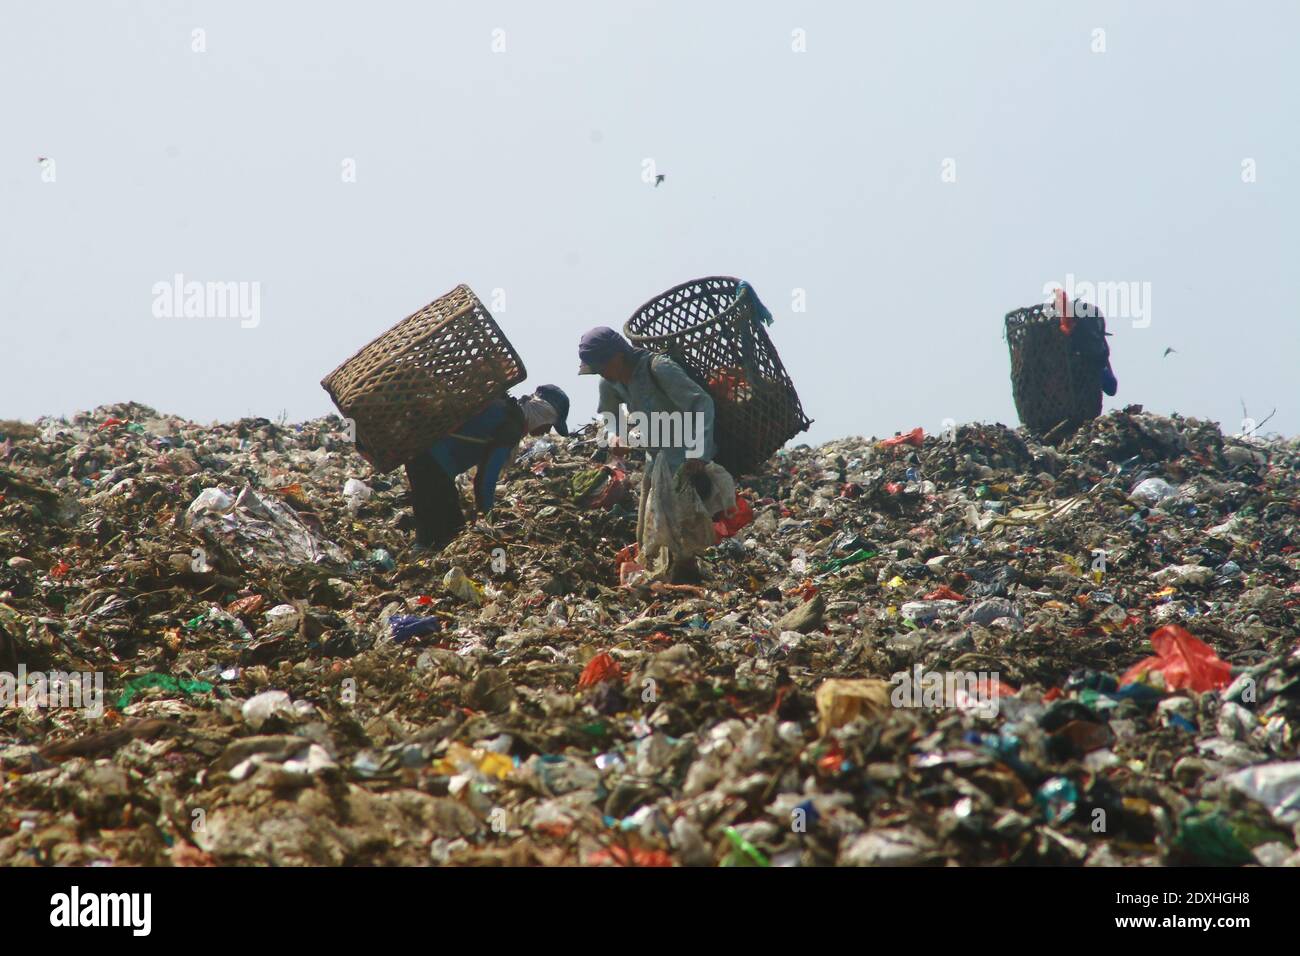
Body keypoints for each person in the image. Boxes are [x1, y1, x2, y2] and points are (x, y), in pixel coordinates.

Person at [577, 327, 721, 580]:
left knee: (678, 523)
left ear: (617, 357)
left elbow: (701, 402)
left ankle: (685, 579)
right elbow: (610, 416)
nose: (601, 373)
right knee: (648, 528)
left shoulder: (658, 368)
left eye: (602, 367)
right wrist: (615, 436)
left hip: (685, 455)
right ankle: (671, 580)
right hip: (655, 458)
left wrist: (699, 451)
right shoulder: (610, 382)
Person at [404, 385, 570, 551]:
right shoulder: (512, 425)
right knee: (450, 534)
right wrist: (488, 519)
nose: (547, 430)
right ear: (542, 415)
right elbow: (485, 478)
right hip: (432, 465)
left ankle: (417, 556)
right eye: (550, 424)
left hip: (420, 455)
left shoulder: (503, 408)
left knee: (436, 528)